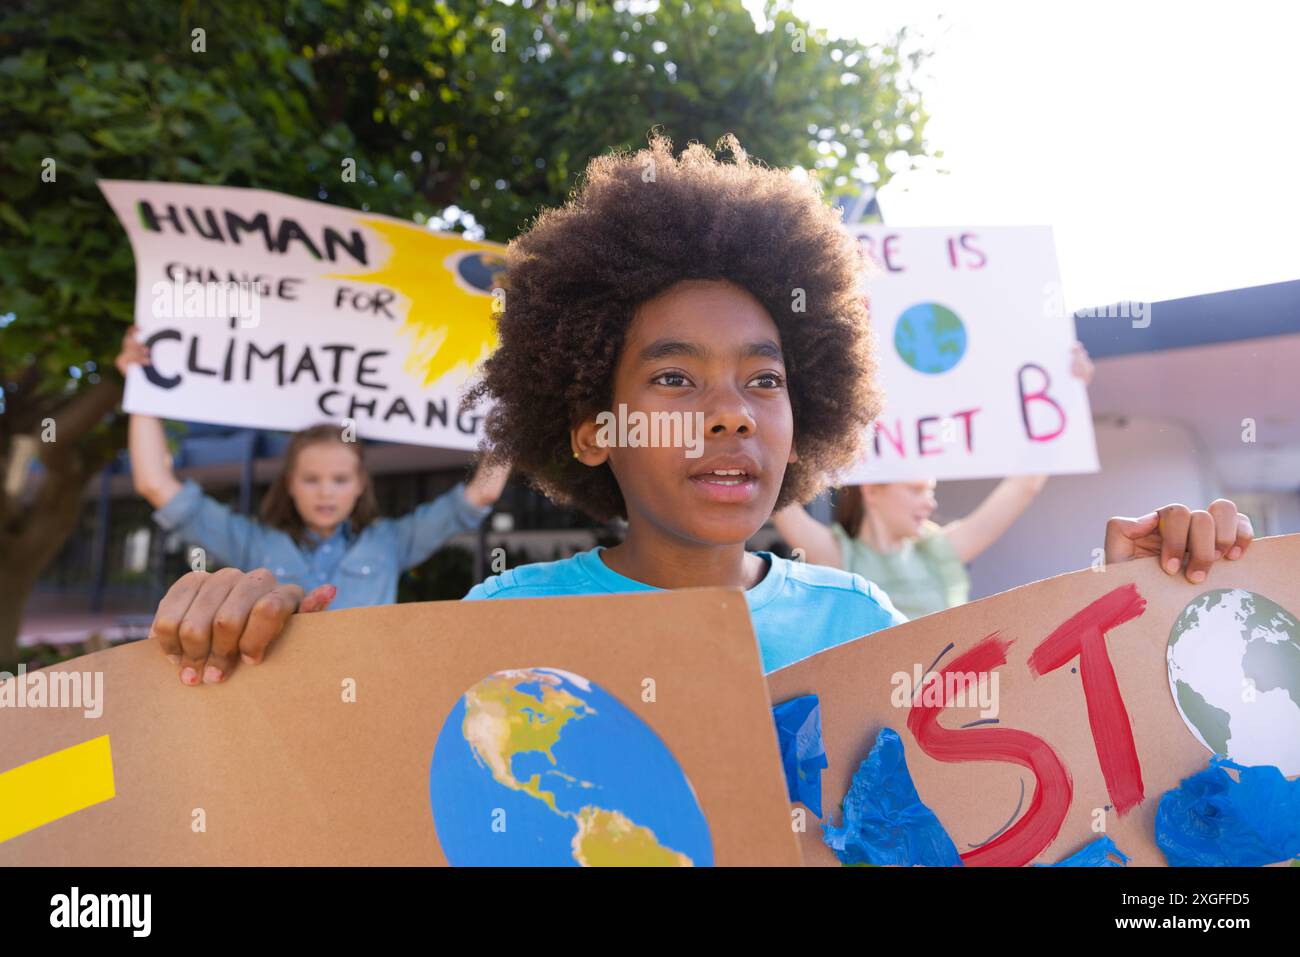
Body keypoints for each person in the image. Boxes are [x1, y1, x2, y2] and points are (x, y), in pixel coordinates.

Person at [139, 134, 1253, 687]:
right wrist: (247, 659)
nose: (730, 415)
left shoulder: (861, 621)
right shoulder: (499, 623)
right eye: (673, 379)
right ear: (590, 427)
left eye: (763, 379)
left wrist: (1141, 616)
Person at [116, 326, 510, 685]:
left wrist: (510, 410)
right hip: (275, 697)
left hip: (369, 691)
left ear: (359, 485)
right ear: (290, 485)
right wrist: (142, 387)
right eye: (311, 479)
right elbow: (155, 484)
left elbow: (482, 494)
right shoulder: (252, 543)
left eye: (339, 480)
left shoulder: (392, 540)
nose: (326, 492)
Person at [771, 346, 1095, 620]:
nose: (930, 503)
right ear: (871, 490)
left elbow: (1023, 487)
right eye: (915, 490)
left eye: (931, 491)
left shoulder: (940, 551)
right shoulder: (839, 556)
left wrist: (1068, 392)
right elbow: (777, 497)